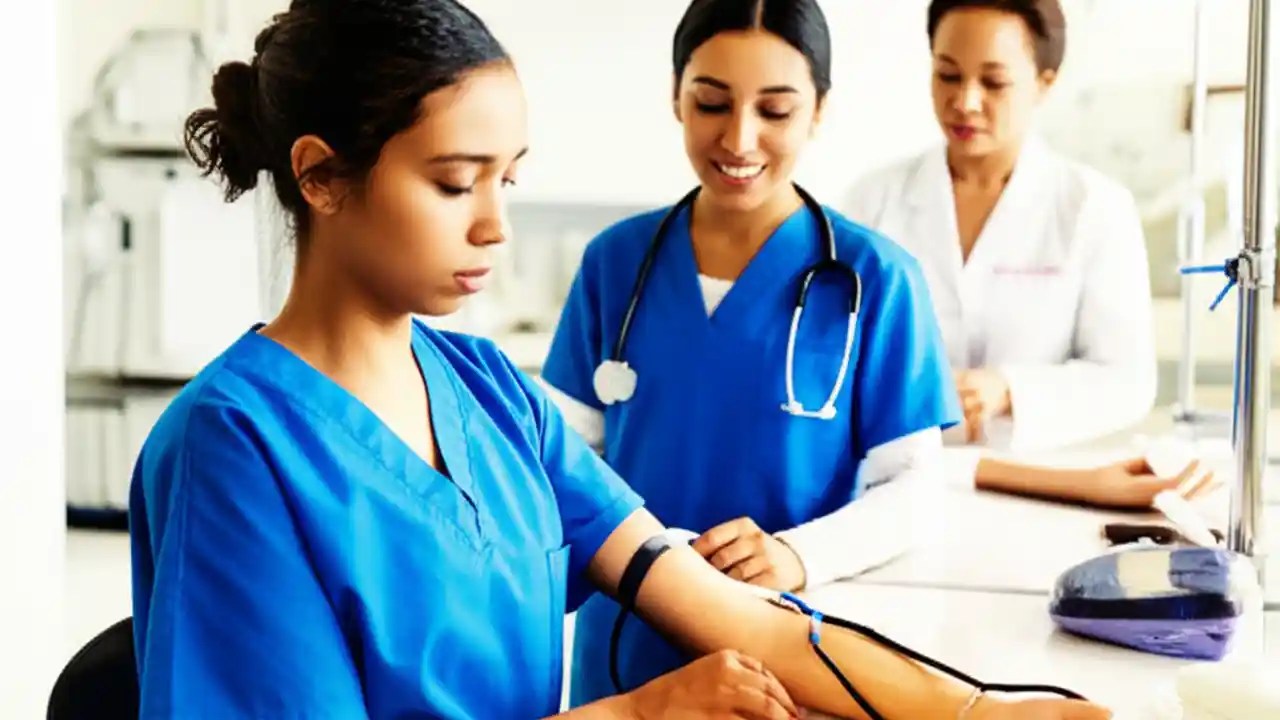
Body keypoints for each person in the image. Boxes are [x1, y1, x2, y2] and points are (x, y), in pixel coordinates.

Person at [126, 1, 1111, 719]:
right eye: (453, 183)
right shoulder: (233, 452)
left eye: (507, 180)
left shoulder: (487, 395)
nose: (495, 226)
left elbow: (737, 616)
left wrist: (983, 709)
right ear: (320, 176)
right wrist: (635, 716)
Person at [537, 0, 977, 706]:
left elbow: (916, 493)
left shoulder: (877, 279)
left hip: (790, 656)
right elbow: (561, 463)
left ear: (819, 111)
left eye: (775, 111)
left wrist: (797, 556)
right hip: (625, 662)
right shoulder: (615, 263)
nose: (739, 138)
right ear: (676, 96)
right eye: (711, 102)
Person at [844, 0, 1213, 509]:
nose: (965, 101)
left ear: (1044, 82)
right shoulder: (873, 201)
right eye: (947, 75)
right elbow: (841, 368)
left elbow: (1128, 381)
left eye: (993, 83)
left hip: (1051, 489)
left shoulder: (1094, 208)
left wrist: (1008, 389)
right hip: (891, 492)